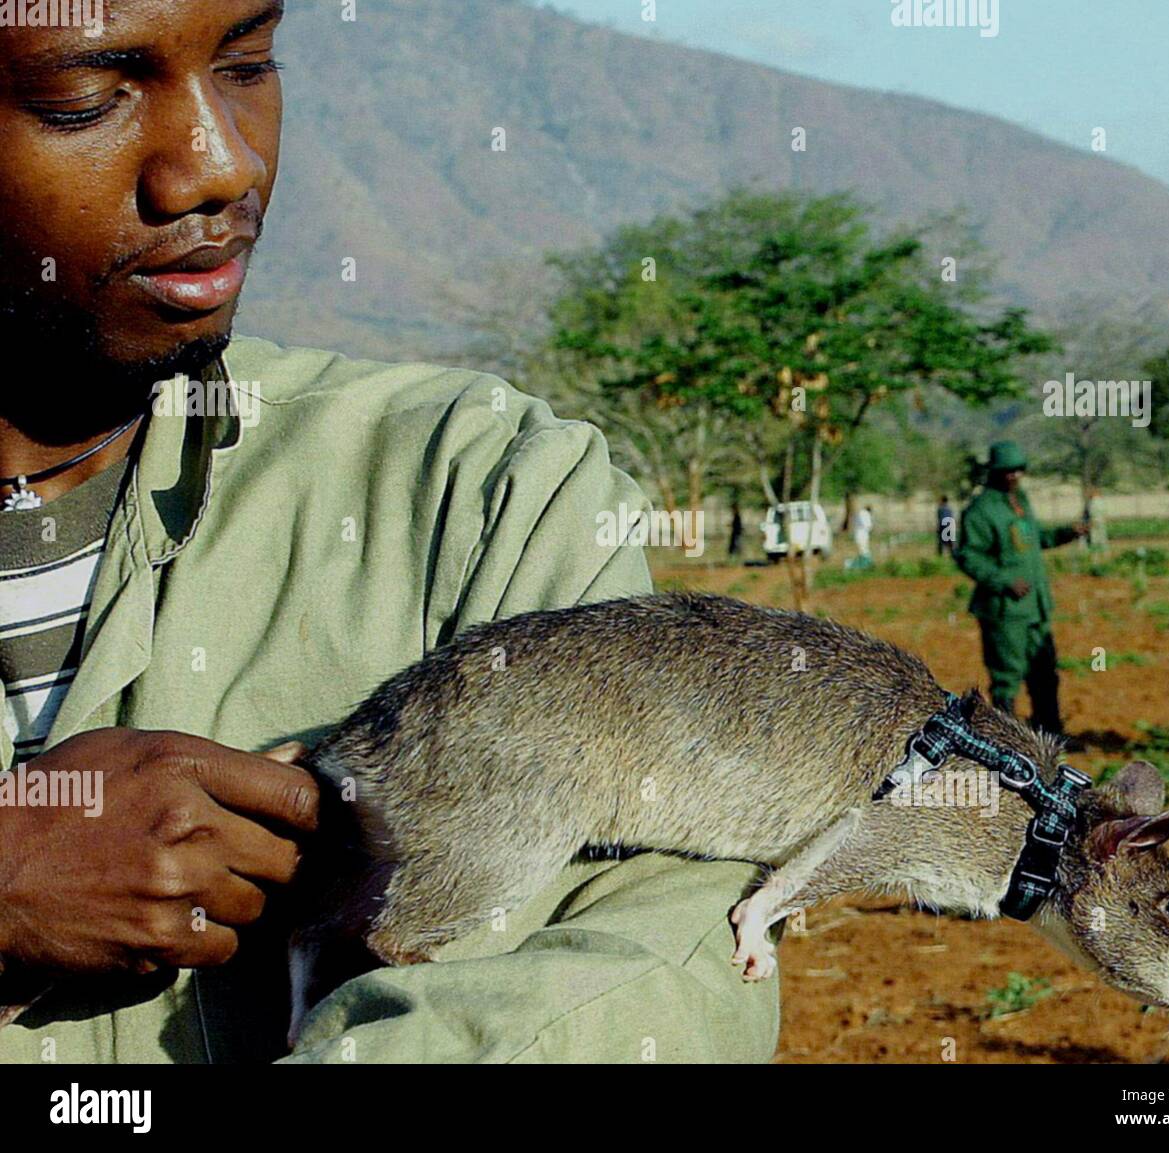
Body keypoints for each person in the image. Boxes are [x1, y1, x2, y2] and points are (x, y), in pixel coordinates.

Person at [0, 2, 777, 1063]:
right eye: (85, 98)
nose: (219, 167)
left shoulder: (479, 491)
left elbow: (663, 934)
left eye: (248, 65)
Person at [954, 442, 1085, 734]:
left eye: (1018, 470)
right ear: (994, 472)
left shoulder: (1020, 502)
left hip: (1036, 607)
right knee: (1006, 680)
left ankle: (1052, 735)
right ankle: (1008, 744)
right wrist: (1003, 580)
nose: (1014, 476)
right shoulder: (980, 510)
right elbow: (967, 556)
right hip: (1005, 611)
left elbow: (1036, 539)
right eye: (1007, 471)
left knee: (1045, 674)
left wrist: (1067, 533)